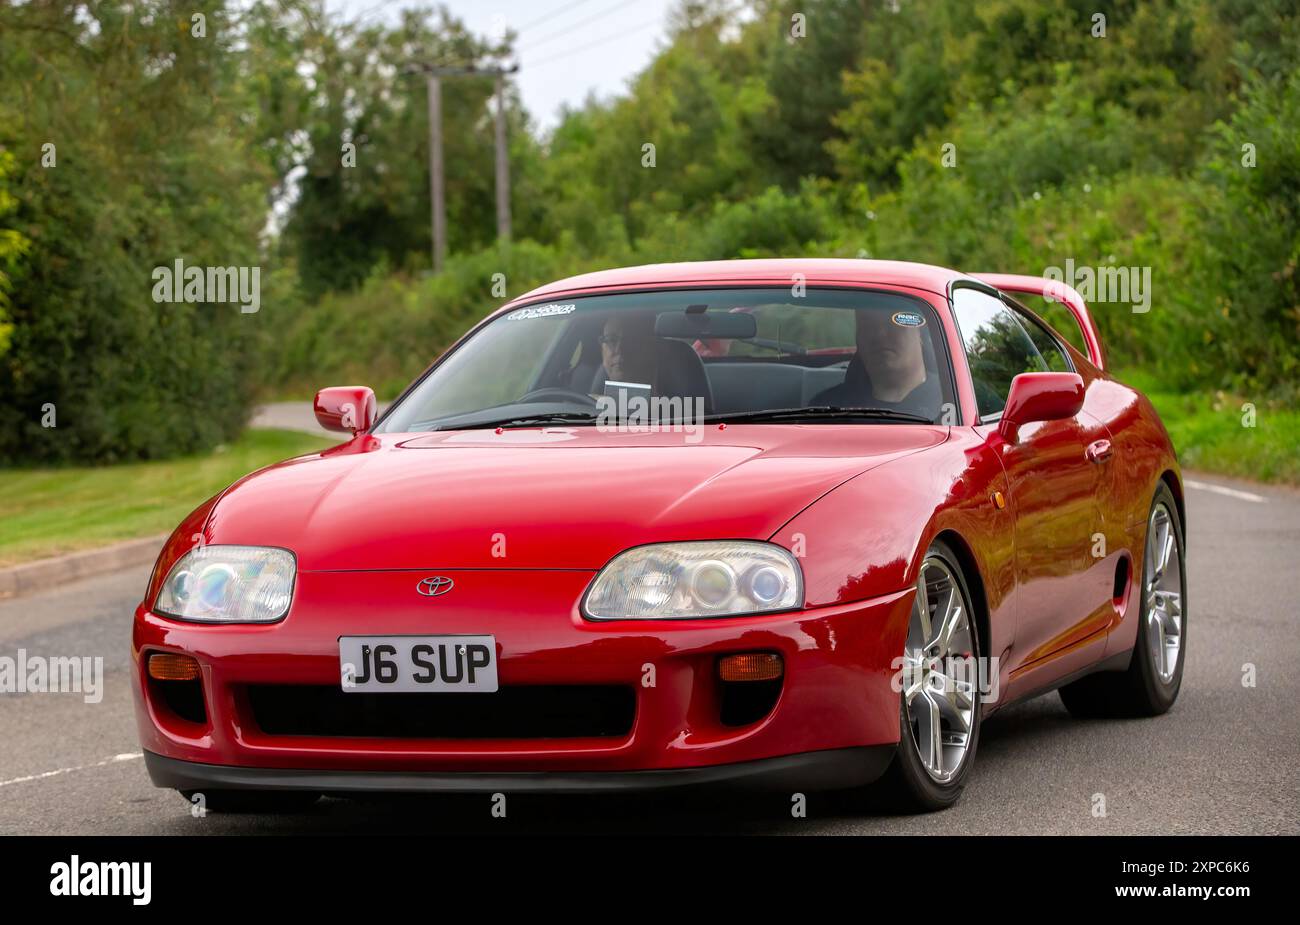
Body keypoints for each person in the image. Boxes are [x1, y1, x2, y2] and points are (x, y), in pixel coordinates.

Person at [811, 309, 940, 418]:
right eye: (868, 326)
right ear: (858, 338)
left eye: (893, 323)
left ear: (921, 334)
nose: (879, 334)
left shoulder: (949, 402)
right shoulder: (826, 409)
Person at [599, 313, 658, 387]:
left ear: (648, 347)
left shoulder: (666, 394)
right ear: (602, 349)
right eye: (611, 340)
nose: (619, 349)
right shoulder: (588, 395)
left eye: (630, 341)